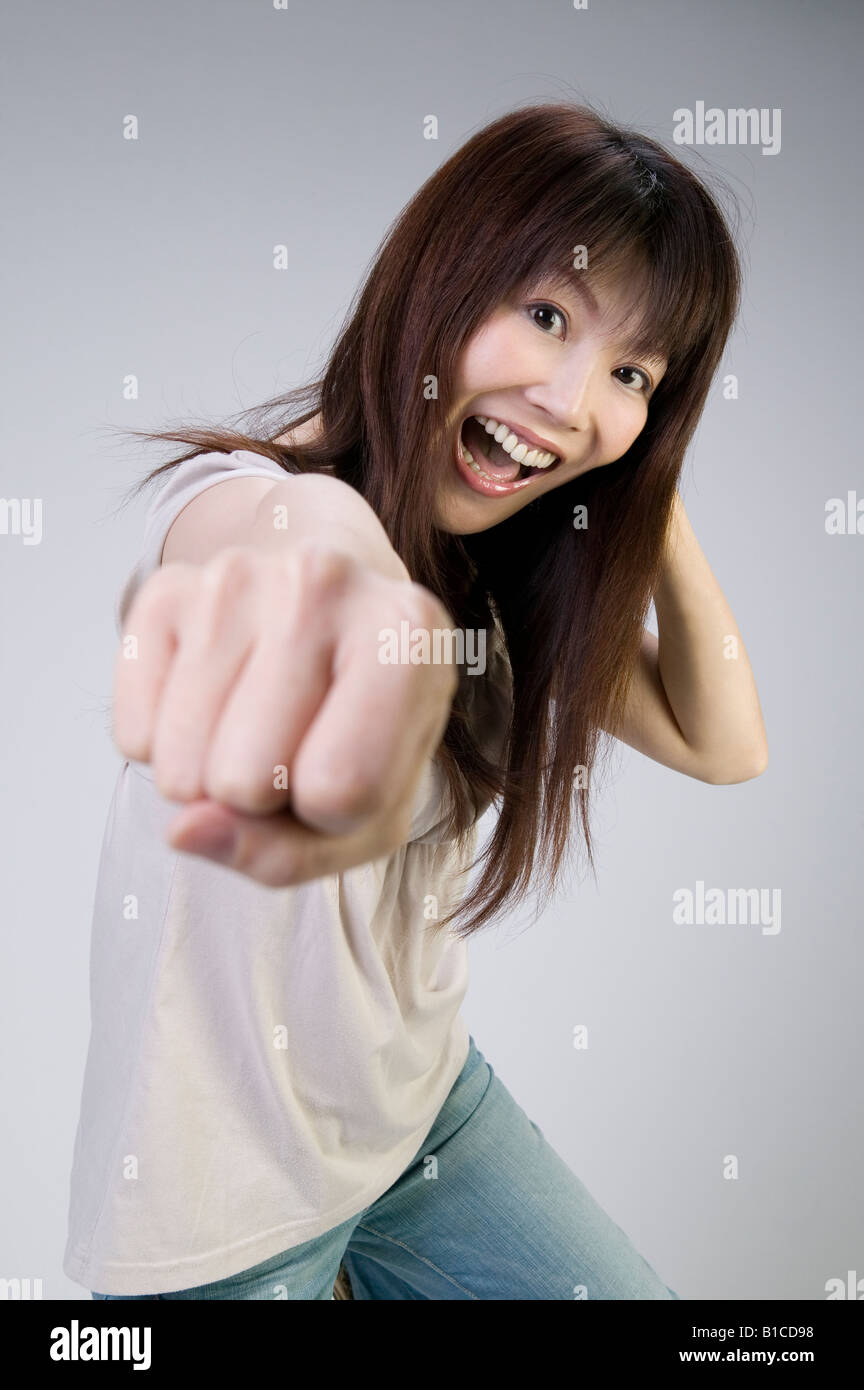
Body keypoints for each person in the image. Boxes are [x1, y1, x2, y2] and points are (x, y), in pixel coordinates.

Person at [64, 101, 767, 1301]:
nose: (567, 391)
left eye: (630, 371)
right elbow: (305, 541)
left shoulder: (506, 586)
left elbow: (725, 740)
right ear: (443, 281)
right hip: (214, 1200)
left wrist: (646, 491)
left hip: (421, 1122)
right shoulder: (226, 502)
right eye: (545, 316)